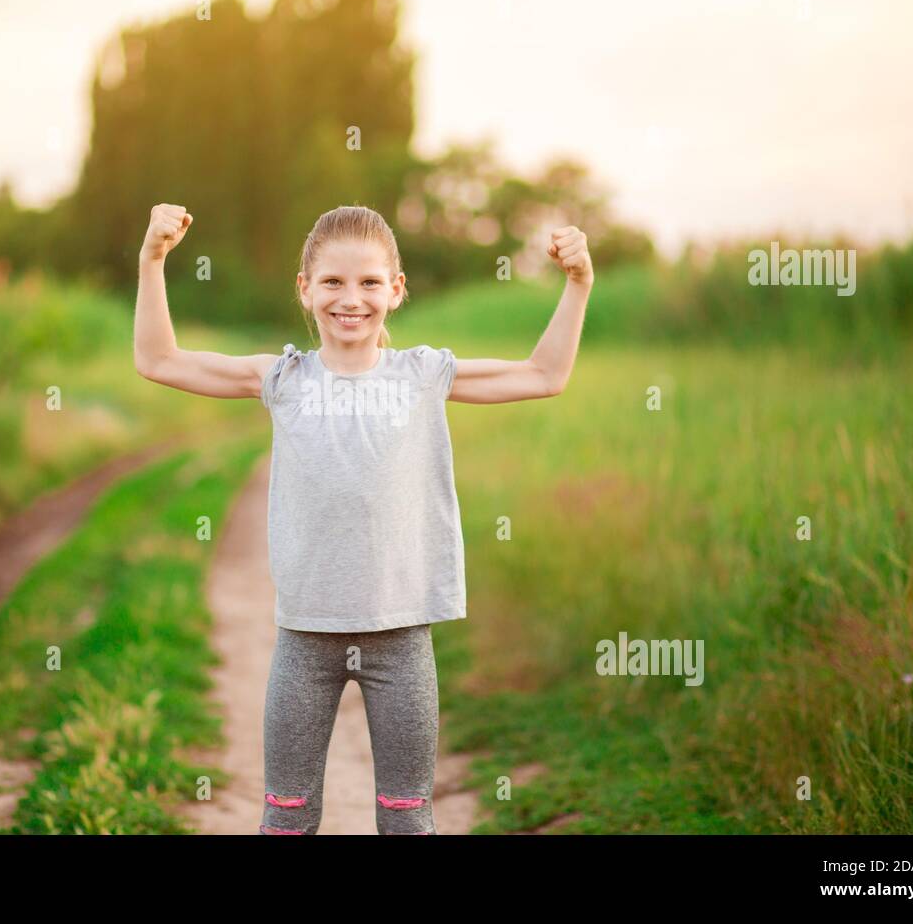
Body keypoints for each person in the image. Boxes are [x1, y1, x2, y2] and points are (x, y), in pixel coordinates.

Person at [133, 202, 595, 834]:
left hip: (401, 639)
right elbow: (159, 360)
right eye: (333, 282)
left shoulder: (424, 375)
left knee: (407, 820)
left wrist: (579, 284)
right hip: (305, 640)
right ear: (305, 289)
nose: (351, 299)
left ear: (396, 290)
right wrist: (153, 260)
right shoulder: (284, 379)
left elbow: (545, 374)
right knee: (287, 818)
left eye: (369, 282)